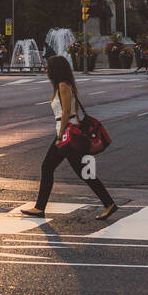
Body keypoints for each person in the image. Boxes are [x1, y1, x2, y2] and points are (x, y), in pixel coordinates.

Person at [21, 55, 118, 222]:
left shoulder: (63, 86)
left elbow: (66, 112)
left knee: (50, 168)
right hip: (67, 133)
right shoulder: (64, 85)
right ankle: (108, 203)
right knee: (78, 172)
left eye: (48, 68)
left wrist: (60, 136)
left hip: (66, 135)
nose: (46, 70)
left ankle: (40, 208)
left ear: (55, 70)